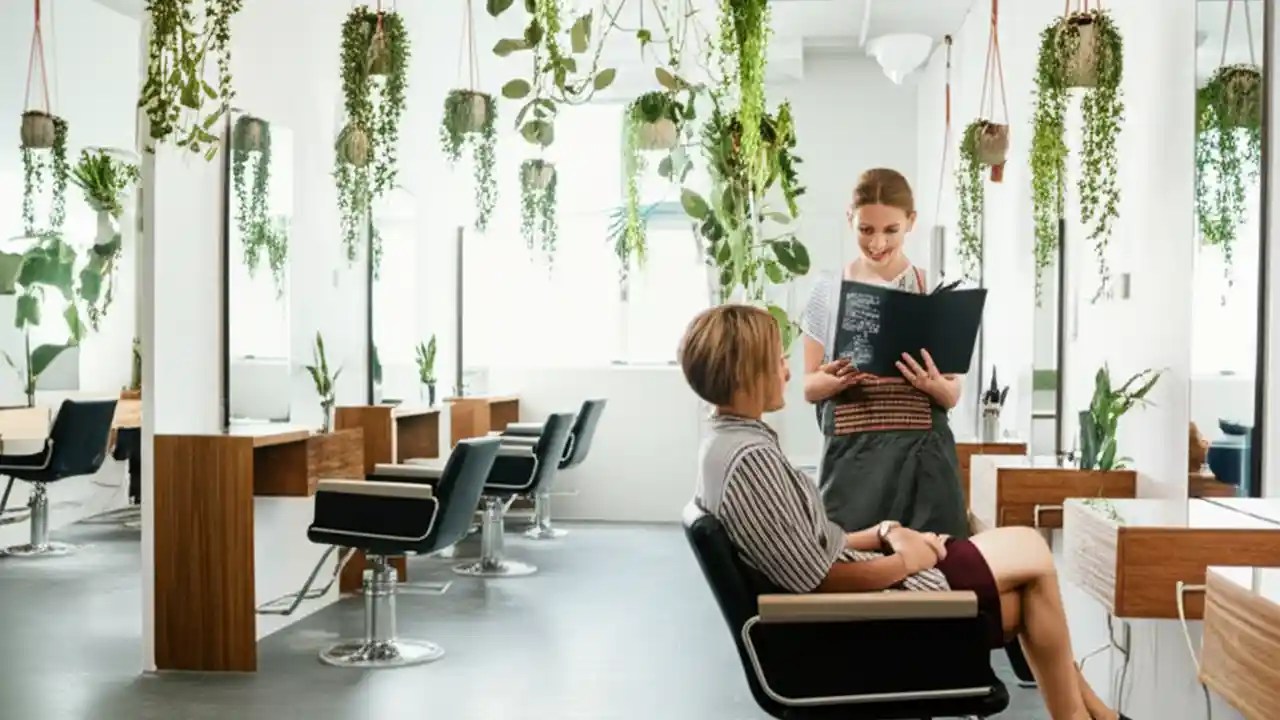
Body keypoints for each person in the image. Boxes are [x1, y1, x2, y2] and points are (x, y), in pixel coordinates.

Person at [681, 304, 1128, 720]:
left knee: (1028, 590)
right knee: (1032, 555)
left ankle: (1093, 716)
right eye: (777, 359)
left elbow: (805, 546)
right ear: (745, 372)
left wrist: (883, 531)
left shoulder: (726, 445)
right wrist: (908, 561)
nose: (786, 370)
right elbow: (819, 580)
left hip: (869, 582)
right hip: (865, 610)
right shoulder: (750, 459)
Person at [801, 167, 968, 538]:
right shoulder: (826, 292)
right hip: (851, 460)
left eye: (891, 230)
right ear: (850, 220)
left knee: (938, 571)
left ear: (911, 222)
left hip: (924, 460)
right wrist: (834, 379)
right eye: (866, 230)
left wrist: (930, 384)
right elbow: (808, 387)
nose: (877, 243)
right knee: (849, 563)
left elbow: (952, 393)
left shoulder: (934, 291)